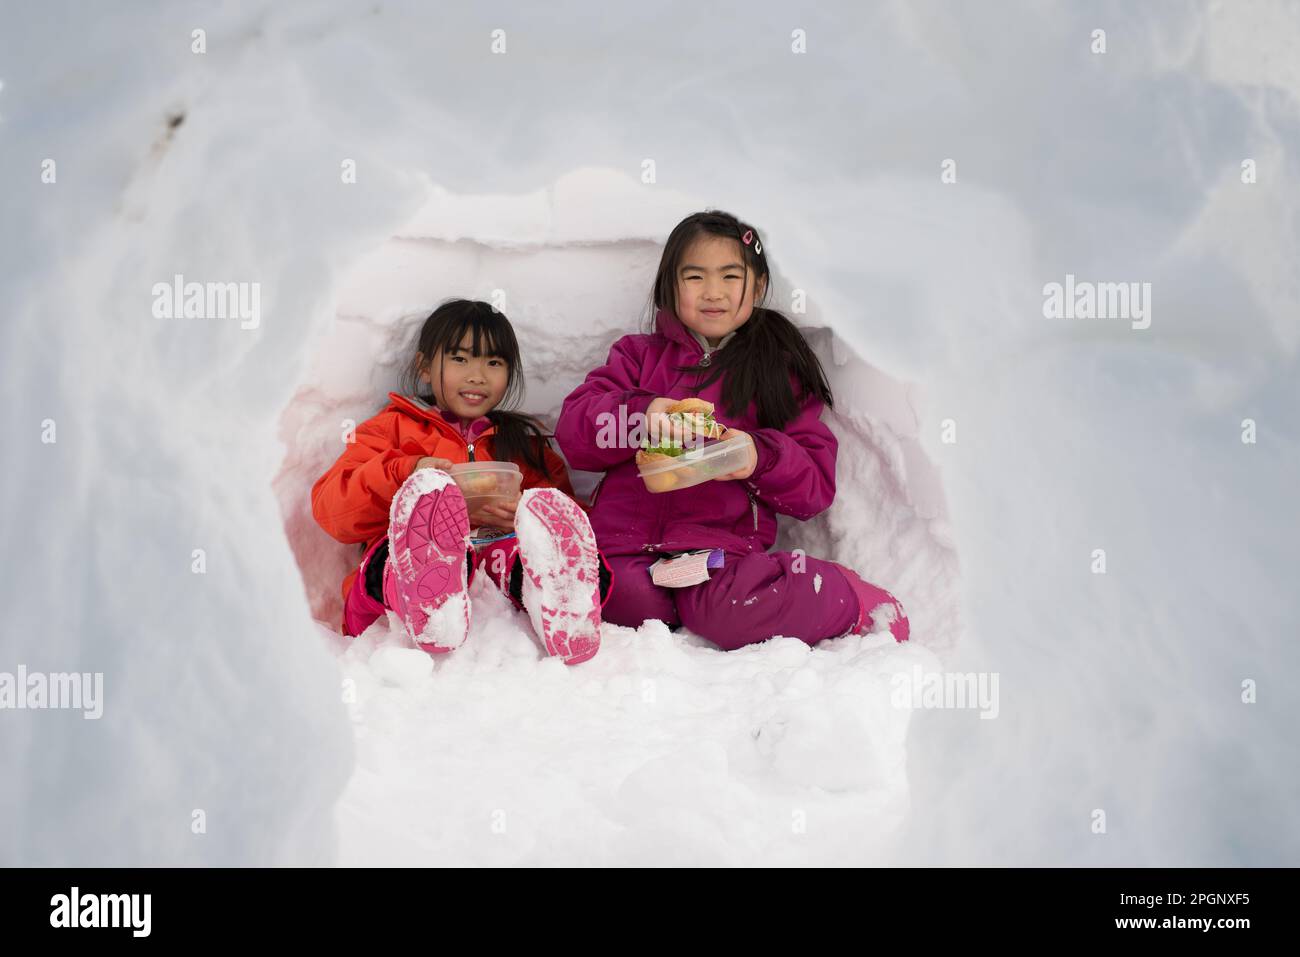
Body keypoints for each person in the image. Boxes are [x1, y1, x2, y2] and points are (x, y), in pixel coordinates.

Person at [555, 210, 909, 651]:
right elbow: (576, 434)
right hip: (624, 544)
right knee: (626, 600)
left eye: (729, 276)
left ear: (757, 286)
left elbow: (813, 487)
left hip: (716, 553)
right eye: (695, 277)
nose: (713, 292)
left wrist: (757, 458)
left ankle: (848, 599)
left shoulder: (773, 373)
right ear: (671, 286)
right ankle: (537, 573)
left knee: (727, 611)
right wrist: (643, 416)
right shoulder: (637, 357)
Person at [311, 299, 612, 665]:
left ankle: (563, 602)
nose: (477, 375)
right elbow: (334, 511)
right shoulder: (393, 429)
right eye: (460, 359)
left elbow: (568, 520)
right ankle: (427, 588)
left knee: (522, 552)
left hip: (493, 568)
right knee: (392, 555)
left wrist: (524, 514)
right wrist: (407, 473)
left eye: (494, 362)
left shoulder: (521, 444)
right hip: (396, 576)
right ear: (424, 366)